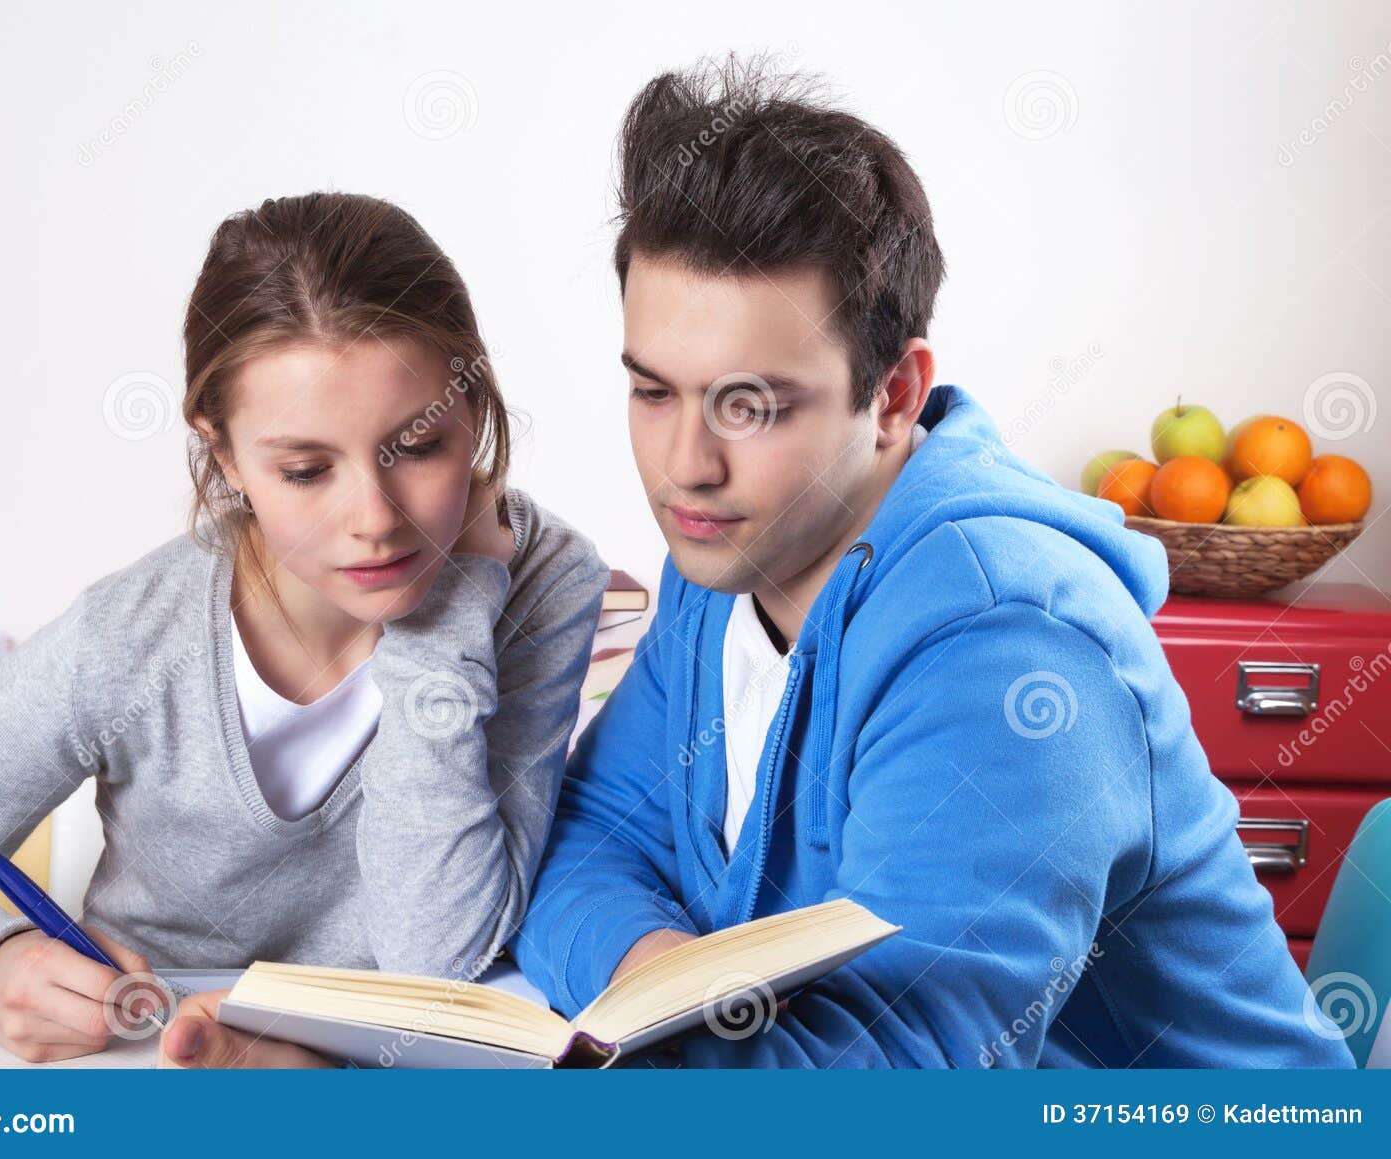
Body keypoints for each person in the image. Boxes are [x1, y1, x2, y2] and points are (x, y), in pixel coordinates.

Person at [160, 58, 1352, 1070]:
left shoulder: (1006, 643)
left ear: (893, 395)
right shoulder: (724, 559)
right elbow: (590, 843)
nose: (685, 466)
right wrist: (666, 981)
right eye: (651, 390)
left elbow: (868, 1083)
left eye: (750, 405)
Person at [0, 191, 609, 1064]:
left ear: (474, 409)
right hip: (154, 1059)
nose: (373, 520)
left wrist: (447, 609)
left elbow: (437, 953)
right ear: (224, 453)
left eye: (419, 448)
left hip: (382, 1072)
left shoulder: (537, 581)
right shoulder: (132, 635)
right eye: (305, 469)